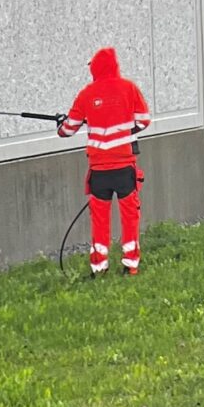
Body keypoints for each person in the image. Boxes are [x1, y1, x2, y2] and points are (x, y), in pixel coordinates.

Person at [56, 47, 151, 277]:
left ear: (95, 69)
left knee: (100, 220)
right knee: (130, 217)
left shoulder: (87, 94)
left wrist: (62, 123)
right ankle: (131, 265)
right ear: (115, 66)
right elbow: (144, 120)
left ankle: (99, 268)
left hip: (99, 170)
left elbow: (67, 130)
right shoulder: (130, 88)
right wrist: (128, 129)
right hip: (124, 168)